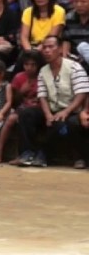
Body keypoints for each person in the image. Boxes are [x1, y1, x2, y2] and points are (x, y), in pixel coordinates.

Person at [16, 35, 89, 167]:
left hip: (71, 111)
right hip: (52, 109)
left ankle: (43, 154)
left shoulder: (74, 67)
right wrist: (47, 114)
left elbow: (82, 93)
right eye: (44, 47)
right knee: (26, 114)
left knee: (61, 124)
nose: (47, 50)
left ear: (60, 49)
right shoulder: (43, 71)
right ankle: (27, 152)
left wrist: (66, 111)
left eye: (51, 47)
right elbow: (42, 96)